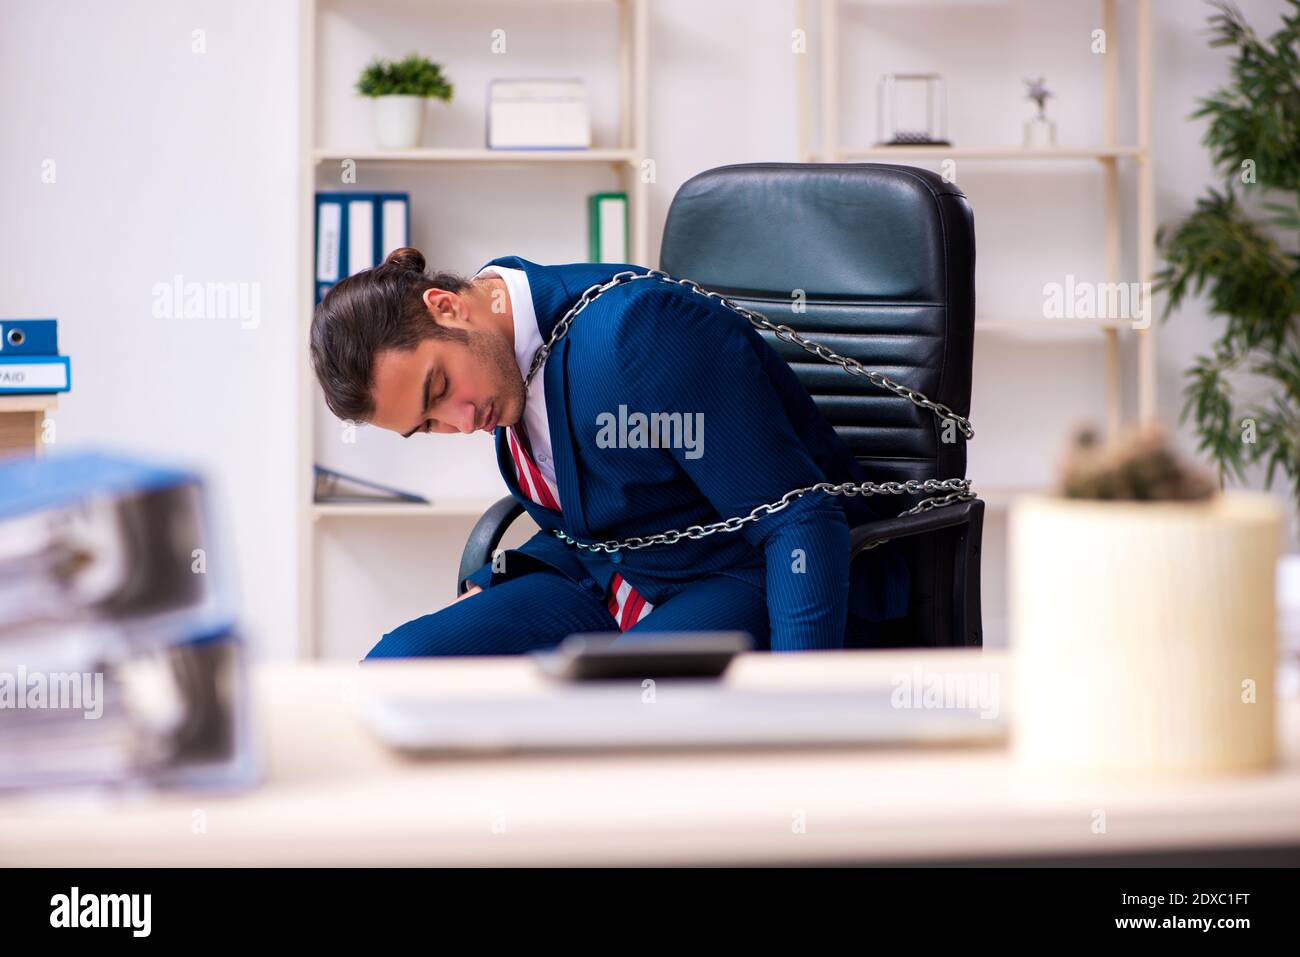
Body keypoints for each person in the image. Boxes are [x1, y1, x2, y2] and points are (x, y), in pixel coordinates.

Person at [309, 248, 909, 657]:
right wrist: (498, 581)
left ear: (445, 306)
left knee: (609, 710)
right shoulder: (500, 358)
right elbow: (606, 497)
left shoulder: (636, 331)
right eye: (429, 425)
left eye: (439, 390)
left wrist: (804, 703)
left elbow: (798, 519)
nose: (461, 423)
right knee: (402, 667)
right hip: (610, 573)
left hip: (742, 570)